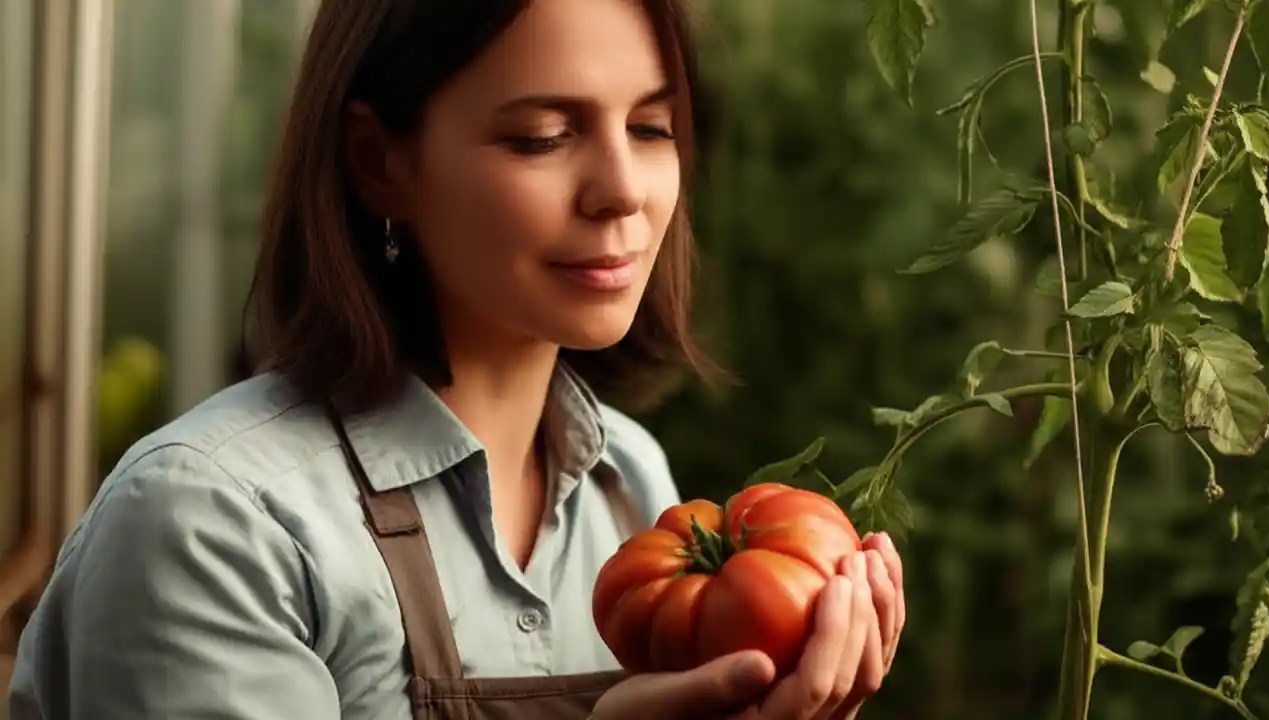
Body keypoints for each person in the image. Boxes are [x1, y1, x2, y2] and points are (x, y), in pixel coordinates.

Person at [8, 0, 907, 718]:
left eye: (650, 127)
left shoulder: (629, 485)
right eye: (543, 137)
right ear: (377, 162)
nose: (622, 190)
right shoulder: (213, 522)